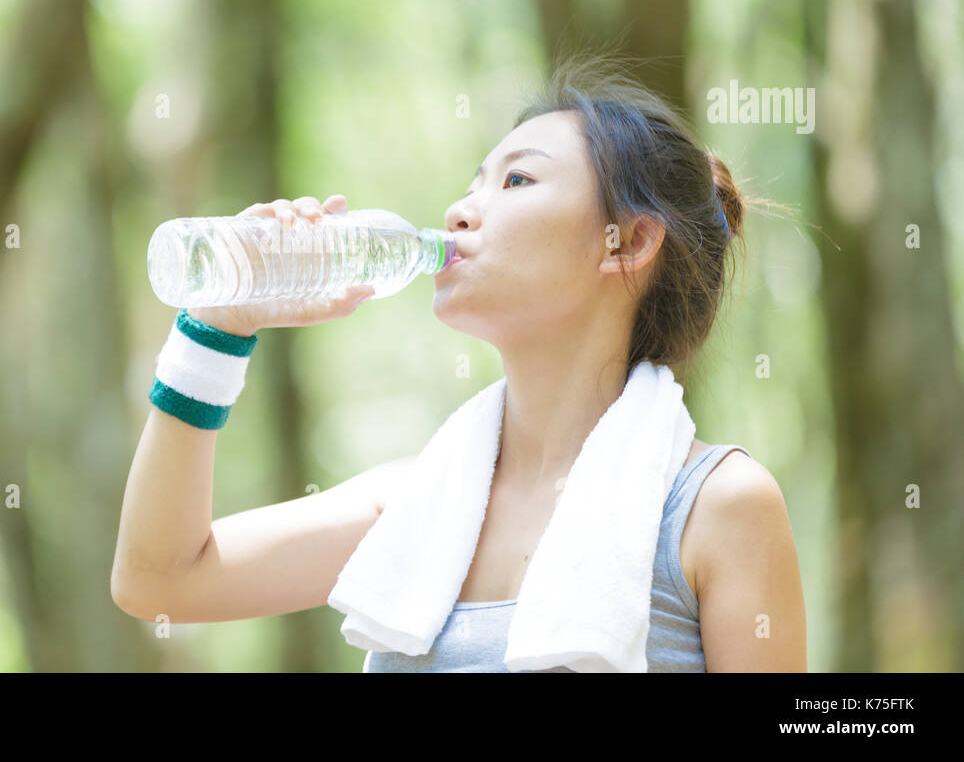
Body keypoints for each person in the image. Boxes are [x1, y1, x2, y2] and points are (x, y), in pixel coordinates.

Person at [111, 52, 807, 672]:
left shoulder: (717, 507)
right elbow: (160, 579)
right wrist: (218, 327)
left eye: (516, 182)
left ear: (624, 242)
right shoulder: (418, 502)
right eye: (474, 183)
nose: (459, 211)